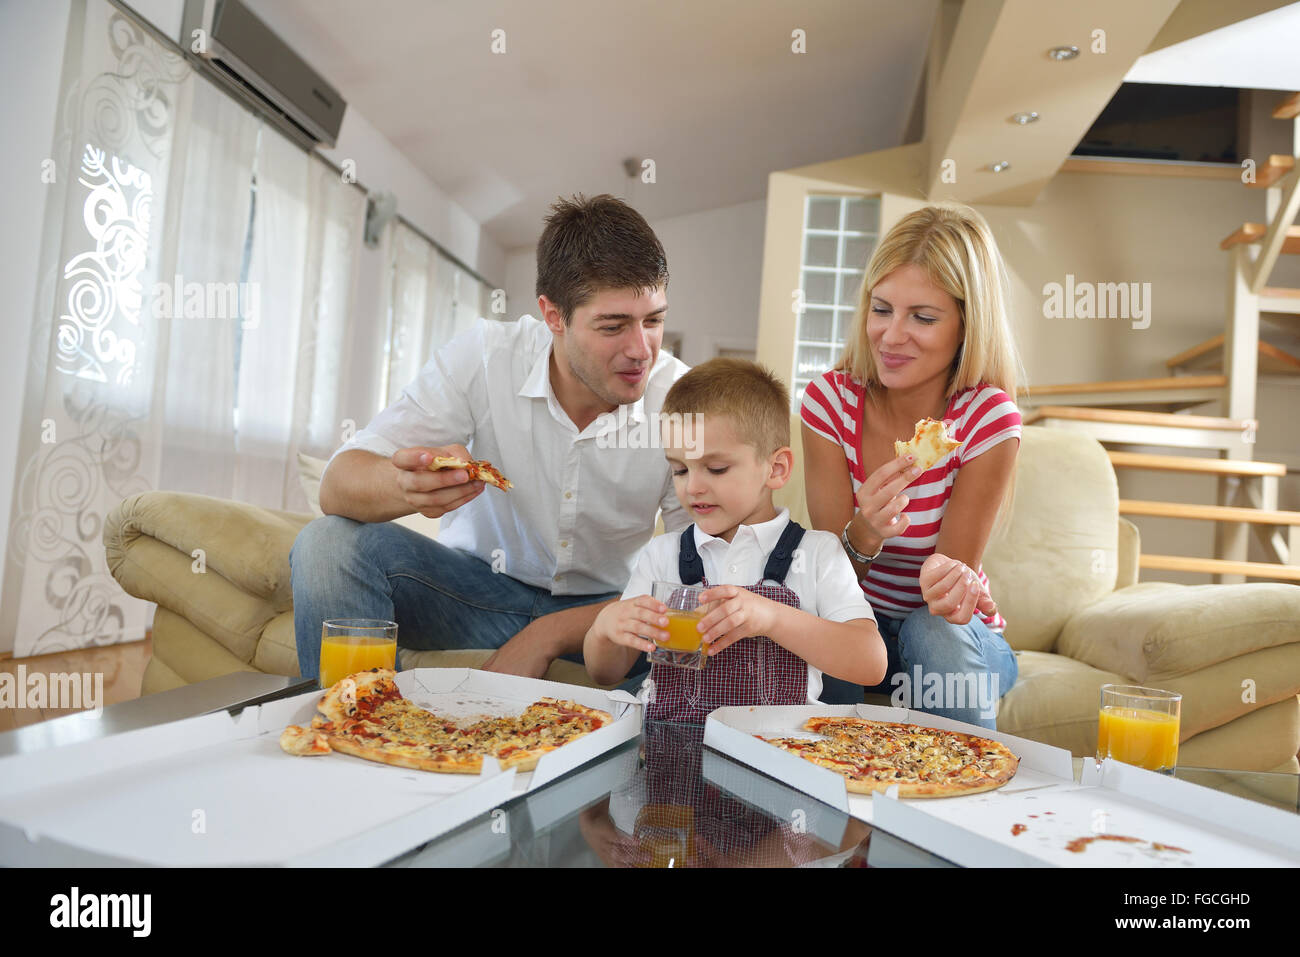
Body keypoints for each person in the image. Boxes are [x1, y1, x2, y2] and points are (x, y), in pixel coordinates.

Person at [291, 194, 689, 683]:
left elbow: (700, 576)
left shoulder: (682, 401)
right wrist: (406, 488)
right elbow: (337, 485)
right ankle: (363, 728)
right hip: (475, 593)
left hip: (608, 615)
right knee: (325, 546)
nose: (640, 351)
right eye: (613, 326)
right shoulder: (484, 358)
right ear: (553, 315)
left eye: (653, 321)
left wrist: (547, 634)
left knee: (694, 638)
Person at [800, 203, 1023, 730]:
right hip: (860, 624)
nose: (892, 336)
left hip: (956, 633)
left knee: (931, 631)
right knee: (828, 623)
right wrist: (866, 532)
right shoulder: (828, 402)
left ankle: (964, 791)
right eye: (882, 309)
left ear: (967, 325)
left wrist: (960, 584)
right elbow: (833, 582)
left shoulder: (986, 417)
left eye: (922, 317)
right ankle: (818, 786)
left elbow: (942, 591)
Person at [583, 358, 885, 721]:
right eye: (679, 469)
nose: (692, 486)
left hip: (776, 757)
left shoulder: (818, 553)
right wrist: (604, 628)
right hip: (672, 756)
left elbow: (870, 662)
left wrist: (771, 617)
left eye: (716, 468)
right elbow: (605, 673)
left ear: (775, 469)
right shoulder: (663, 554)